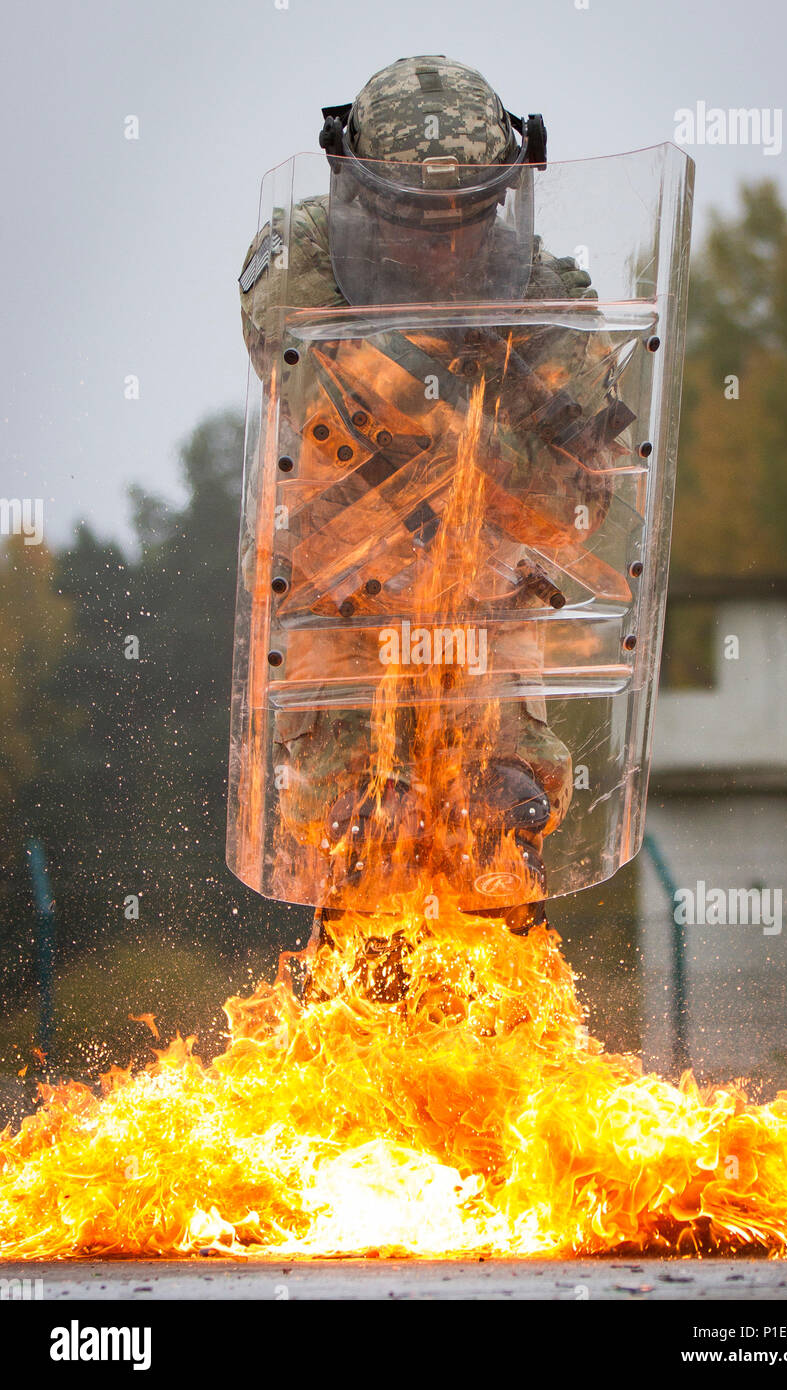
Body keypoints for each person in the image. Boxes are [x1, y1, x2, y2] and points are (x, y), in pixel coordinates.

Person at [238, 56, 634, 949]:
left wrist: (454, 423)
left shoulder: (548, 293)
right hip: (341, 605)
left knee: (502, 826)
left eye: (471, 219)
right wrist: (487, 413)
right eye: (415, 226)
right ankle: (355, 1066)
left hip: (486, 614)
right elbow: (324, 394)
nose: (445, 249)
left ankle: (513, 1064)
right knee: (365, 837)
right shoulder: (298, 260)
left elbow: (571, 512)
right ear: (356, 195)